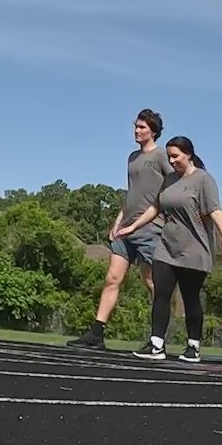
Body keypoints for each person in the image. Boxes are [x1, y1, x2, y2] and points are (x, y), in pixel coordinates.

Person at [71, 109, 172, 349]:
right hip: (126, 227)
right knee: (112, 278)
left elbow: (174, 186)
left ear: (154, 131)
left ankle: (158, 338)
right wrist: (118, 221)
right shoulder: (132, 157)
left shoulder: (161, 157)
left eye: (142, 128)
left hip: (150, 228)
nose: (137, 131)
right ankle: (97, 333)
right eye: (135, 127)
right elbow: (132, 192)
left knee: (151, 283)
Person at [127, 136, 222, 362]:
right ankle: (156, 344)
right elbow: (156, 207)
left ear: (189, 154)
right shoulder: (169, 180)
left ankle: (193, 346)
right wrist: (134, 225)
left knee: (190, 298)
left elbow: (215, 210)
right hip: (166, 247)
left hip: (194, 250)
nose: (172, 161)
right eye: (169, 157)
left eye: (175, 156)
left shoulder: (203, 180)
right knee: (161, 294)